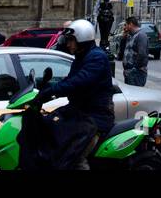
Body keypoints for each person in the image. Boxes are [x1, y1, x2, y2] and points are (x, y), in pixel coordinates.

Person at [33, 20, 115, 170]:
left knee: (73, 156)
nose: (68, 44)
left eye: (71, 40)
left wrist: (52, 91)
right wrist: (45, 91)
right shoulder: (81, 57)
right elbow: (69, 80)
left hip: (96, 117)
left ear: (82, 39)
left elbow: (79, 82)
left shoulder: (97, 57)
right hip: (79, 112)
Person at [121, 16, 150, 87]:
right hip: (129, 72)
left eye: (126, 25)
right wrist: (123, 38)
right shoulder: (129, 36)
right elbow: (121, 51)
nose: (125, 27)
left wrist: (133, 69)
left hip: (136, 73)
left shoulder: (141, 35)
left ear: (131, 24)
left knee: (135, 96)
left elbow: (142, 54)